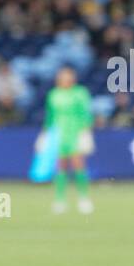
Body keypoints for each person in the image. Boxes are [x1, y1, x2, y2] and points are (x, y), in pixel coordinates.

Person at [41, 66, 94, 214]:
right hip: (60, 134)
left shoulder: (80, 93)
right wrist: (44, 135)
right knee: (61, 166)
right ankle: (60, 200)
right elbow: (50, 117)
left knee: (78, 165)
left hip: (76, 133)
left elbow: (86, 113)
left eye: (68, 77)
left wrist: (86, 132)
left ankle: (84, 199)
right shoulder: (53, 94)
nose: (66, 80)